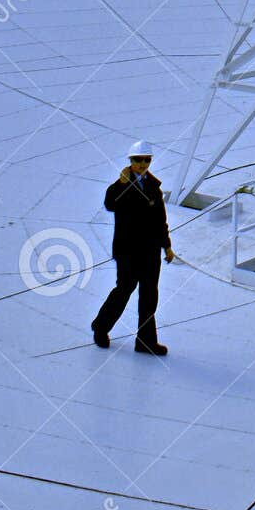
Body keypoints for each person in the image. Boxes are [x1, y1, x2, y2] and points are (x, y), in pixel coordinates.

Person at [91, 142, 174, 355]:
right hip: (128, 251)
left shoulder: (154, 187)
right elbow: (110, 204)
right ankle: (100, 327)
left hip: (150, 251)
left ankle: (146, 341)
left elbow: (160, 220)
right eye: (138, 160)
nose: (143, 164)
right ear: (131, 161)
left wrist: (167, 246)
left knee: (149, 296)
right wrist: (121, 184)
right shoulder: (121, 185)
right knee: (124, 290)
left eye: (147, 160)